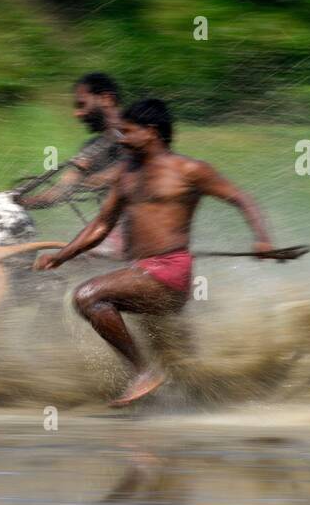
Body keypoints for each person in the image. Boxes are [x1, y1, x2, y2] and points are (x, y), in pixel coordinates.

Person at [34, 99, 273, 406]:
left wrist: (262, 240)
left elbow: (241, 198)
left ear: (151, 131)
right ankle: (189, 398)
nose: (120, 139)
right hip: (141, 271)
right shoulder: (126, 175)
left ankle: (144, 373)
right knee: (167, 351)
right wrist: (62, 256)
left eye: (127, 132)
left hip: (170, 270)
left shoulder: (190, 169)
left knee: (87, 296)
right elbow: (102, 224)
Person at [16, 72, 130, 257]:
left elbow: (126, 173)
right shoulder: (93, 147)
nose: (77, 113)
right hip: (114, 237)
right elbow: (58, 193)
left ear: (106, 99)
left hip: (148, 238)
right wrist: (17, 201)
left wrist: (82, 182)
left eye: (82, 104)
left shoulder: (140, 135)